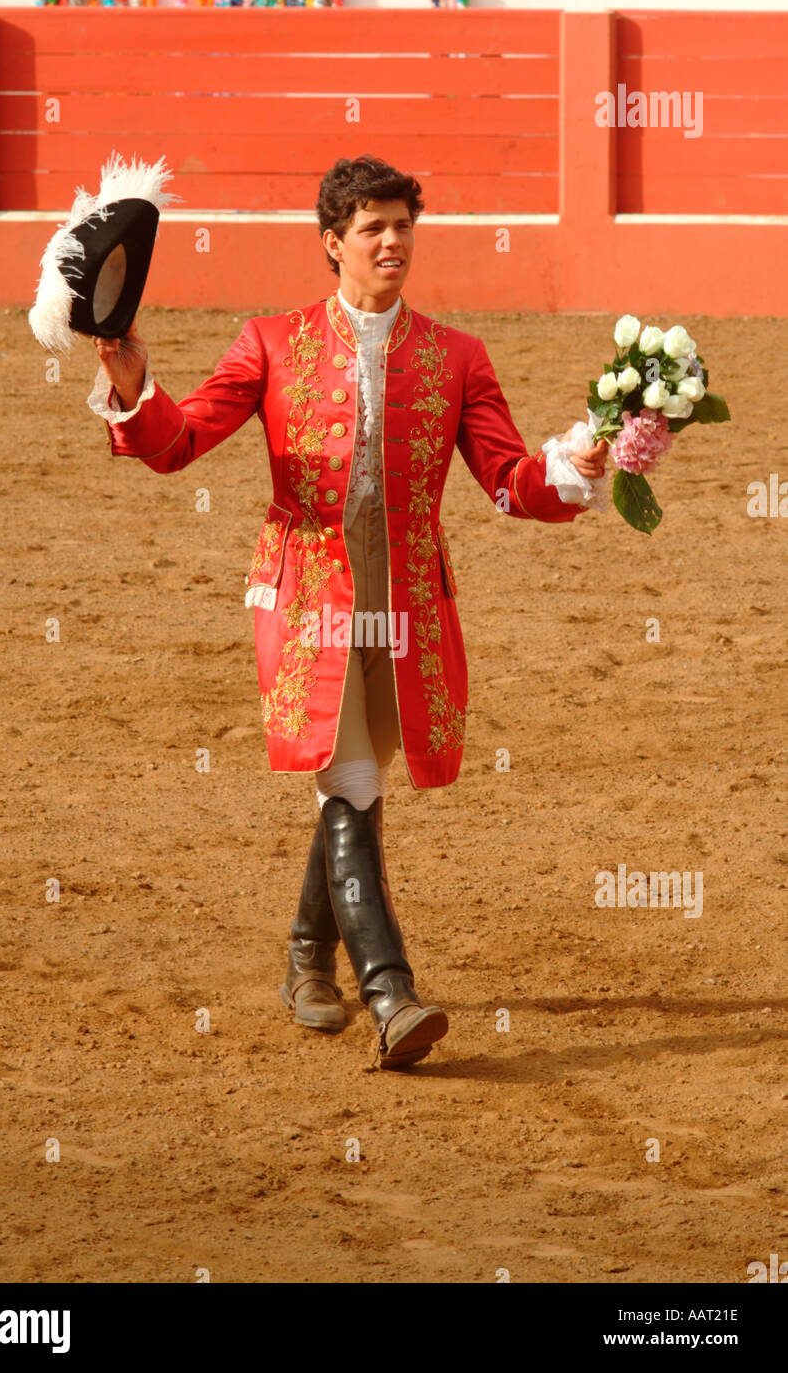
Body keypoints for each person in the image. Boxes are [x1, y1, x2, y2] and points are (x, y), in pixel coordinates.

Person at [88, 154, 608, 1071]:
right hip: (306, 590)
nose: (393, 241)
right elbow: (176, 445)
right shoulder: (269, 341)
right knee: (352, 777)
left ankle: (303, 959)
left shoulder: (457, 356)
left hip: (405, 592)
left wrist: (576, 466)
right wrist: (133, 385)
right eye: (372, 227)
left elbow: (506, 482)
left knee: (355, 784)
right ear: (333, 244)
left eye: (403, 224)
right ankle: (391, 995)